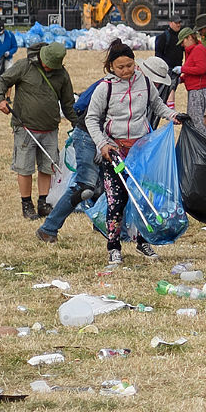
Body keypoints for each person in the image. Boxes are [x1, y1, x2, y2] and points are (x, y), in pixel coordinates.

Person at [82, 41, 175, 264]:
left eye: (130, 65)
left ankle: (144, 242)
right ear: (111, 67)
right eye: (120, 67)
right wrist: (103, 145)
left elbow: (157, 105)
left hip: (140, 152)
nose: (125, 71)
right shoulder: (105, 88)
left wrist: (173, 116)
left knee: (143, 198)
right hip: (114, 153)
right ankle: (114, 246)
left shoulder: (144, 82)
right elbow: (91, 119)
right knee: (117, 200)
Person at [0, 39, 77, 220]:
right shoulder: (24, 66)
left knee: (47, 167)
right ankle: (26, 204)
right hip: (25, 127)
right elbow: (2, 81)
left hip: (50, 128)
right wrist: (0, 99)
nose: (49, 68)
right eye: (47, 64)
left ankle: (43, 202)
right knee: (25, 168)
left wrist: (78, 124)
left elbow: (68, 103)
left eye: (53, 66)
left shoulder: (62, 74)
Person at [153, 18, 187, 100]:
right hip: (165, 71)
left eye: (179, 22)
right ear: (170, 23)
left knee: (171, 91)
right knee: (163, 93)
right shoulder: (163, 37)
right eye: (176, 22)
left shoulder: (182, 37)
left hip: (176, 70)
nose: (178, 25)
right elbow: (158, 54)